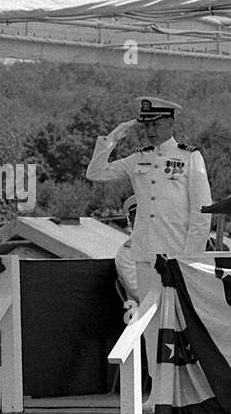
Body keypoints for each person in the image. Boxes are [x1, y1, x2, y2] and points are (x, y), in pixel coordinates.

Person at [86, 96, 213, 264]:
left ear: (170, 123)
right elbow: (95, 173)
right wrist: (113, 137)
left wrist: (191, 256)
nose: (150, 131)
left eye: (156, 124)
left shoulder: (190, 157)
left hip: (176, 252)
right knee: (145, 292)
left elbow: (202, 211)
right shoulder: (139, 157)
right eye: (146, 125)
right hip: (143, 253)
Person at [114, 195, 141, 302]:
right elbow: (138, 291)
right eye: (136, 214)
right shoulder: (127, 252)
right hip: (144, 312)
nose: (141, 219)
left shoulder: (163, 244)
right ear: (130, 219)